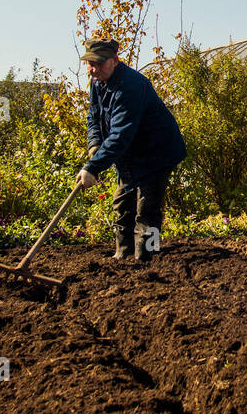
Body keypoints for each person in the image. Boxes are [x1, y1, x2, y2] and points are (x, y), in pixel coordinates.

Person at [76, 38, 187, 264]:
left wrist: (93, 167)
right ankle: (123, 253)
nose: (92, 69)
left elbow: (120, 134)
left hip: (157, 152)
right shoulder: (97, 82)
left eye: (97, 63)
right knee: (122, 202)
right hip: (130, 153)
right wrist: (95, 145)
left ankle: (149, 255)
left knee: (148, 210)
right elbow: (93, 116)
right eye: (89, 63)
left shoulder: (131, 86)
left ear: (114, 61)